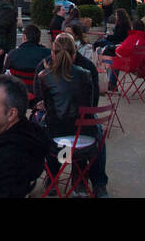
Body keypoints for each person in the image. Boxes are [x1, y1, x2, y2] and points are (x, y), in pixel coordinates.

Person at [34, 33, 109, 197]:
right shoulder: (87, 70)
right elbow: (92, 103)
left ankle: (53, 175)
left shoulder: (43, 73)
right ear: (75, 52)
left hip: (56, 134)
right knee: (92, 128)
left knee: (42, 124)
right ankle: (95, 183)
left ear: (53, 53)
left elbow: (41, 100)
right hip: (82, 134)